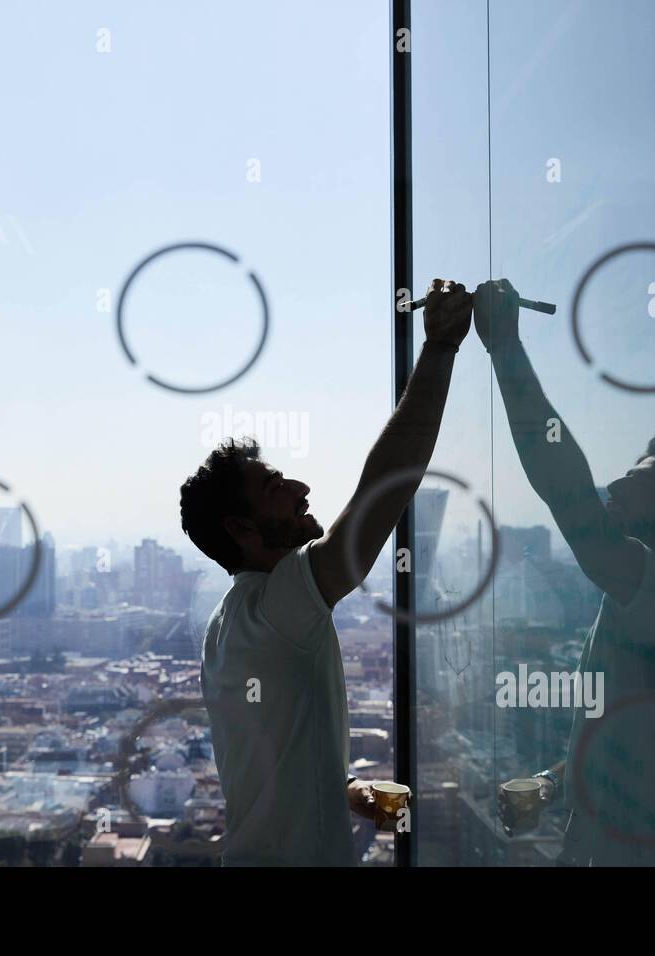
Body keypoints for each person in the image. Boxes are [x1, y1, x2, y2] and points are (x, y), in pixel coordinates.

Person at [179, 277, 474, 865]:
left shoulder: (227, 625)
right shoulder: (277, 607)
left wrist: (342, 789)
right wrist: (440, 350)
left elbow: (268, 754)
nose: (301, 487)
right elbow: (381, 495)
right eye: (274, 488)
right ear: (240, 530)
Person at [480, 279, 655, 865]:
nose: (614, 485)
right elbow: (623, 740)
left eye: (638, 481)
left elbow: (565, 488)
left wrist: (504, 347)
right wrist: (550, 782)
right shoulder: (644, 605)